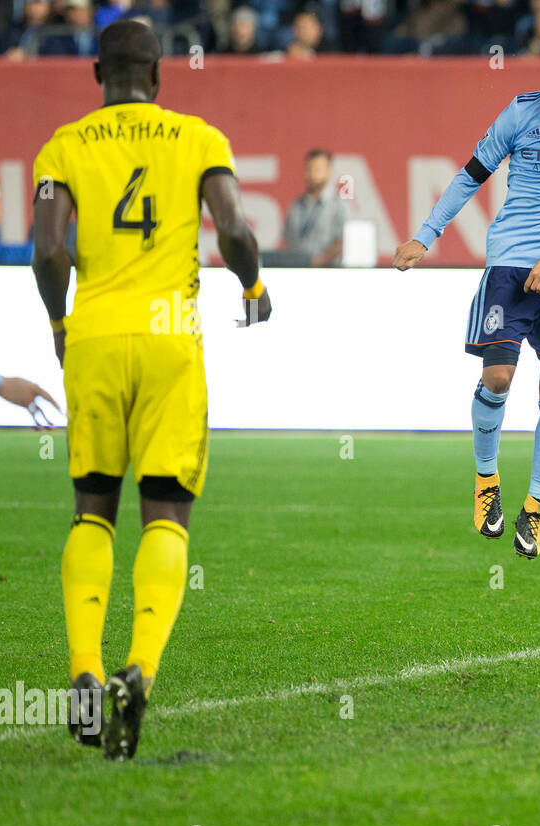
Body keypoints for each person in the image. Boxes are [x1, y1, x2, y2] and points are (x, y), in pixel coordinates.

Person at [31, 18, 270, 760]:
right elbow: (233, 226)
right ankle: (139, 669)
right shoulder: (197, 137)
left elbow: (47, 248)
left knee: (92, 507)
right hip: (171, 337)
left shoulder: (63, 147)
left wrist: (60, 324)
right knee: (166, 513)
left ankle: (83, 671)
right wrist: (254, 285)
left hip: (96, 337)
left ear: (97, 73)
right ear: (159, 75)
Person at [392, 35, 540, 559]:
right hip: (510, 261)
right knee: (497, 376)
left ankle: (535, 507)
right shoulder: (521, 113)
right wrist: (426, 235)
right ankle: (486, 484)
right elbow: (470, 175)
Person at [283, 150, 348, 267]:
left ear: (328, 171)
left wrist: (318, 261)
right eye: (309, 169)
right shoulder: (297, 206)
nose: (312, 174)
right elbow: (287, 239)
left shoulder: (339, 206)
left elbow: (342, 241)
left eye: (317, 169)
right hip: (297, 270)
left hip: (328, 271)